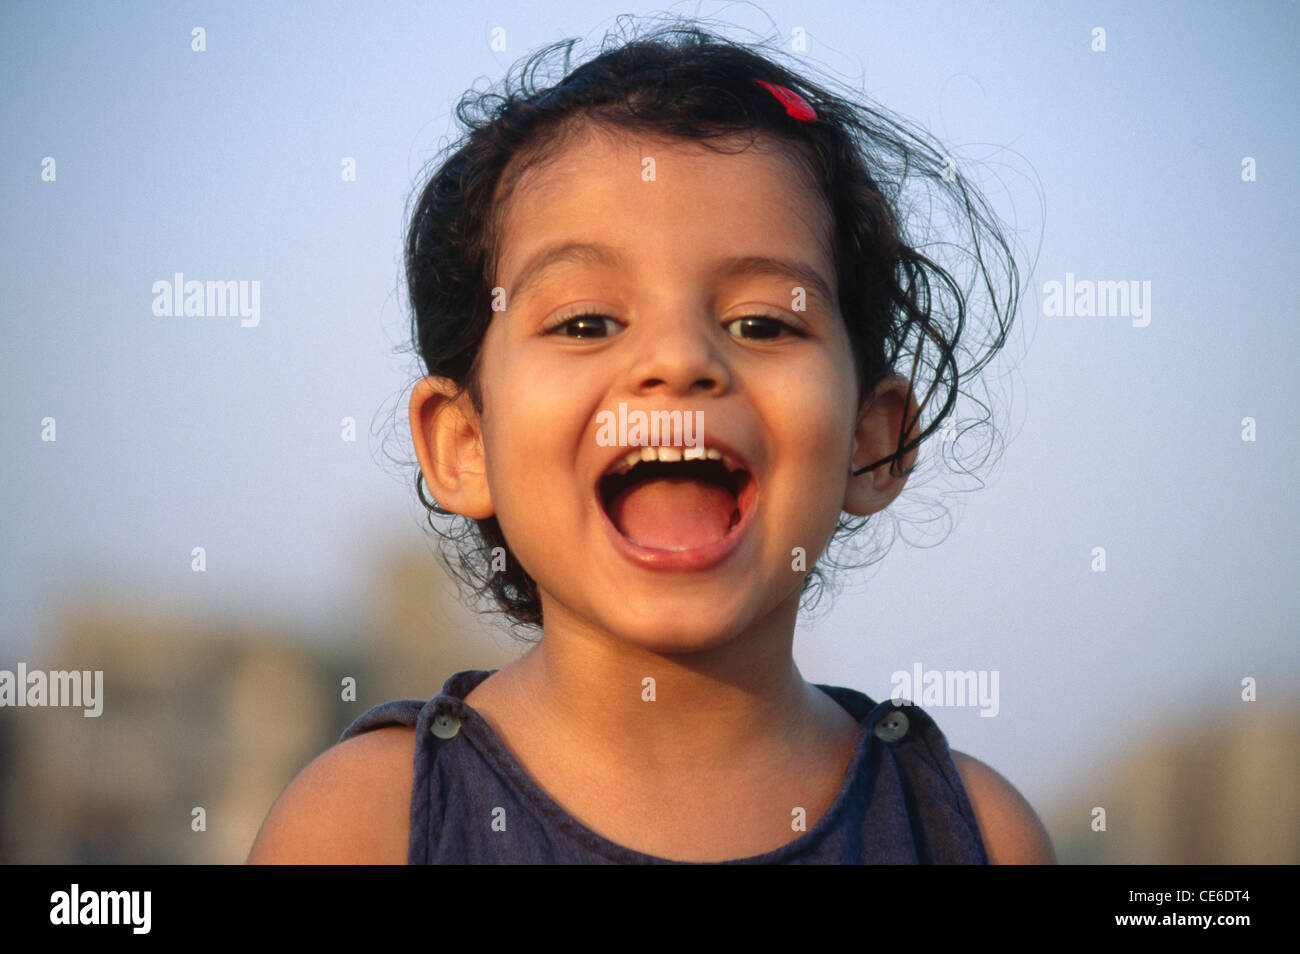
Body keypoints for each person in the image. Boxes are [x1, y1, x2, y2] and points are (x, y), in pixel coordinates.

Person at [249, 19, 1055, 864]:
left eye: (762, 323)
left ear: (872, 438)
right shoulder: (364, 824)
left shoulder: (975, 834)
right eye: (586, 322)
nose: (678, 359)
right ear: (465, 444)